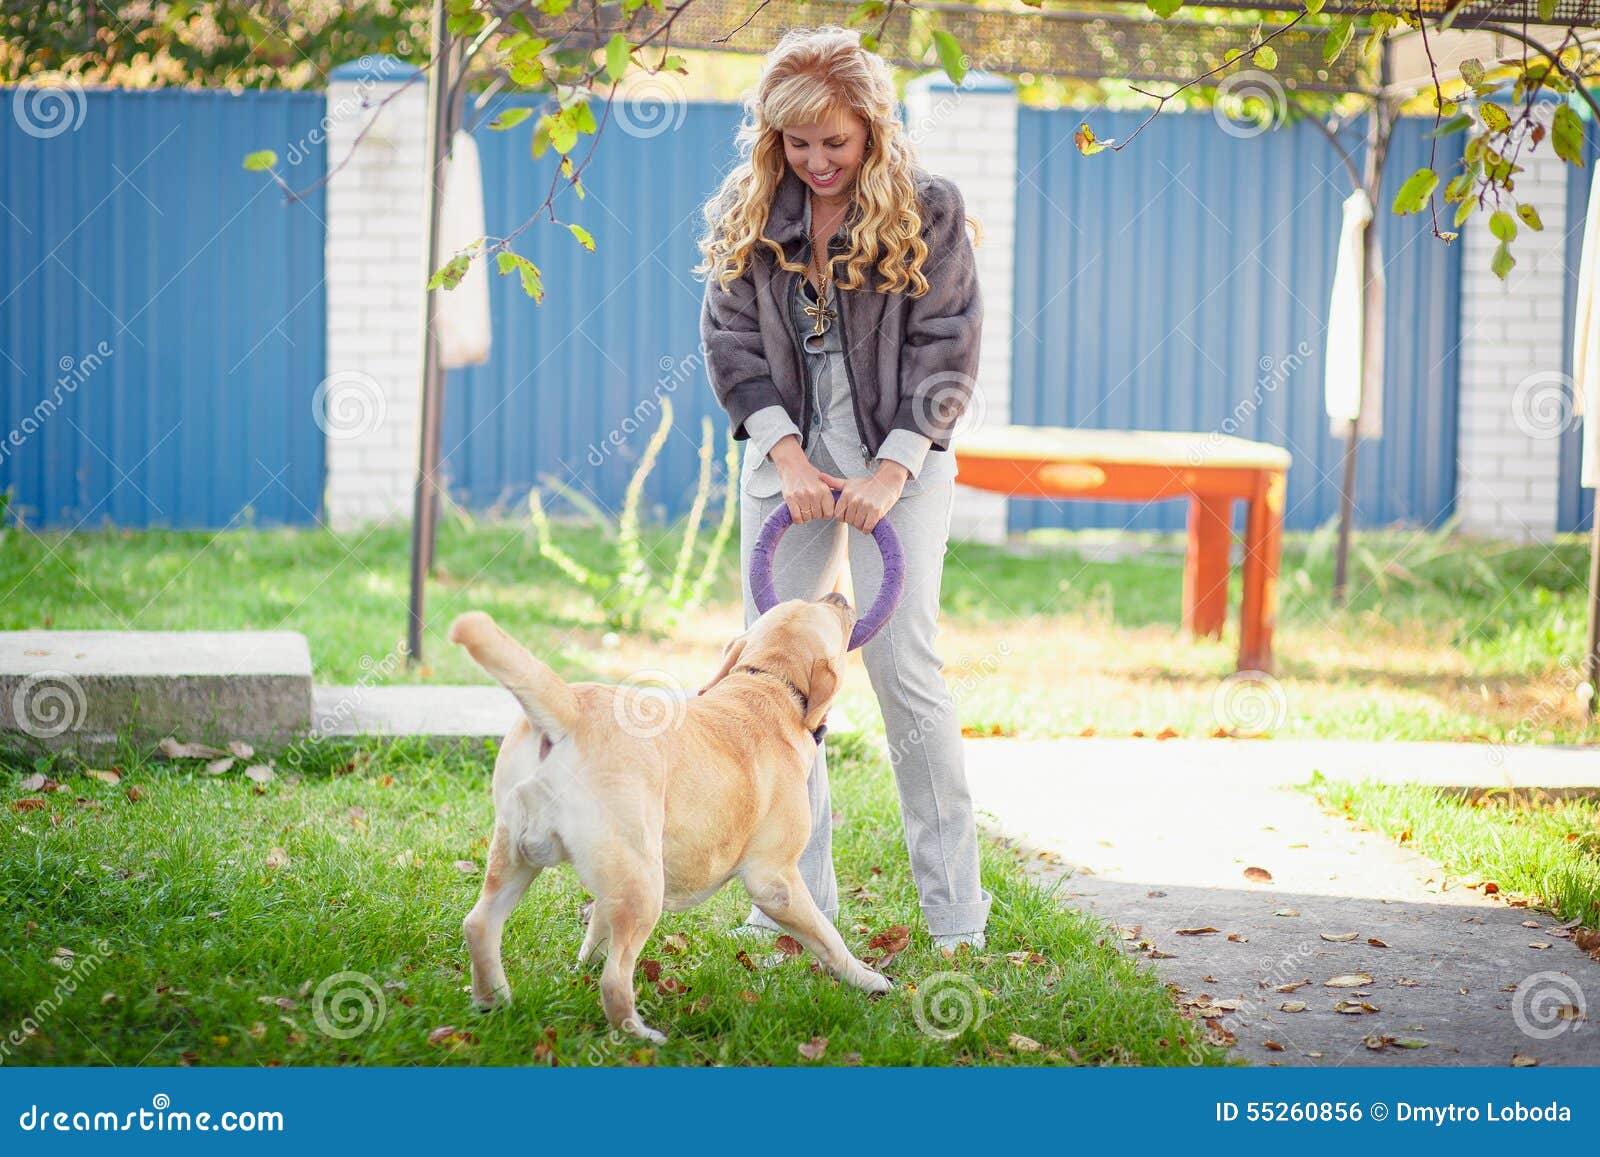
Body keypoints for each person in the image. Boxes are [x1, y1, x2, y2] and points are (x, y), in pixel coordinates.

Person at [692, 24, 992, 951]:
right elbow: (731, 341)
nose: (817, 161)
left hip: (898, 452)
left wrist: (892, 468)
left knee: (904, 670)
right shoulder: (751, 209)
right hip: (786, 454)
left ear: (873, 128)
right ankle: (787, 907)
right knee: (771, 682)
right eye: (797, 142)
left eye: (836, 141)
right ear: (772, 137)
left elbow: (949, 349)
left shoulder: (929, 209)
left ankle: (955, 920)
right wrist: (788, 457)